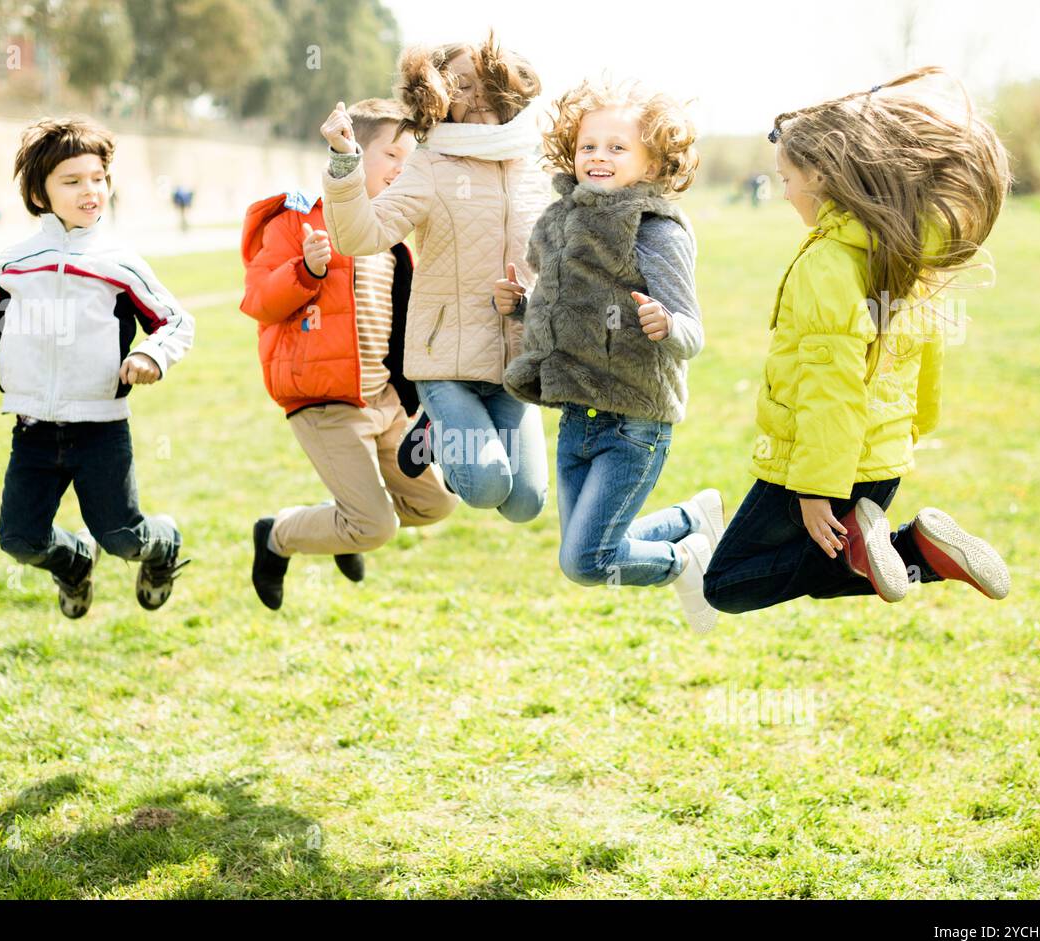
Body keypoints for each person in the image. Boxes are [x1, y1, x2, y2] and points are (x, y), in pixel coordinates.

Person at [703, 68, 1012, 614]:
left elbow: (832, 381)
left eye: (786, 180)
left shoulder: (828, 263)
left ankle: (912, 547)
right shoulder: (905, 250)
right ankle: (920, 551)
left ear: (821, 176)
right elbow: (926, 359)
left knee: (727, 584)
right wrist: (911, 432)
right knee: (829, 573)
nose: (785, 194)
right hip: (884, 457)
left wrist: (814, 488)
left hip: (825, 464)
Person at [0, 116, 195, 618]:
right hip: (33, 433)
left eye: (98, 178)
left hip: (101, 432)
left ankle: (163, 543)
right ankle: (72, 560)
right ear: (40, 194)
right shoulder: (16, 263)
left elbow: (175, 322)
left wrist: (150, 355)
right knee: (20, 541)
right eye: (72, 181)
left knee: (123, 537)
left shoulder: (119, 262)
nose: (89, 190)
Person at [500, 79, 722, 632]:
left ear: (651, 164)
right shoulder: (563, 222)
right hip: (577, 416)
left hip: (634, 423)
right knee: (587, 554)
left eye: (617, 147)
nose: (598, 157)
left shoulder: (655, 230)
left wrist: (666, 324)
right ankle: (692, 518)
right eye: (588, 147)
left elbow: (693, 332)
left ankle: (684, 557)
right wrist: (523, 306)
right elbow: (570, 312)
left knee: (588, 561)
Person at [319, 31, 550, 525]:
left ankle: (447, 433)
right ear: (436, 95)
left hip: (516, 366)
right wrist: (344, 161)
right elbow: (361, 234)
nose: (476, 96)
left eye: (485, 82)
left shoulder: (534, 165)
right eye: (459, 86)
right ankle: (436, 428)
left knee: (525, 503)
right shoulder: (430, 165)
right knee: (487, 487)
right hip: (446, 365)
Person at [241, 99, 458, 610]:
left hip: (385, 402)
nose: (402, 168)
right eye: (391, 154)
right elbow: (259, 301)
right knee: (375, 525)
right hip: (326, 402)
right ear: (354, 152)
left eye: (411, 158)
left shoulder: (392, 237)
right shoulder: (299, 220)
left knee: (436, 503)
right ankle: (277, 535)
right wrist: (306, 273)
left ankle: (347, 524)